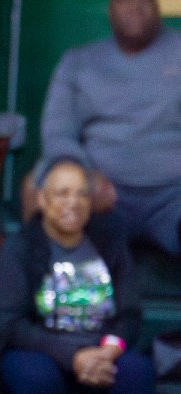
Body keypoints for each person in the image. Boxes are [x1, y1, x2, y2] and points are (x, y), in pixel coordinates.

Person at [0, 156, 154, 394]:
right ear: (42, 199)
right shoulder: (20, 247)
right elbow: (9, 324)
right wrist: (73, 356)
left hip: (100, 348)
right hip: (36, 349)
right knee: (39, 380)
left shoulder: (110, 244)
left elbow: (130, 314)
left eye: (82, 194)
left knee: (138, 373)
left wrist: (107, 350)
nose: (72, 203)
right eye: (62, 193)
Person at [22, 0, 181, 257]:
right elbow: (57, 131)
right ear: (110, 9)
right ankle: (39, 284)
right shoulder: (79, 62)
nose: (135, 7)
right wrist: (84, 176)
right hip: (103, 194)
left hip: (173, 197)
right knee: (37, 184)